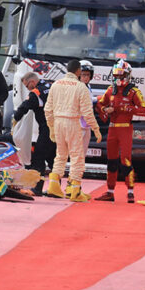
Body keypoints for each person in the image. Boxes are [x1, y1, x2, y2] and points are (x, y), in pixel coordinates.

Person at [44, 59, 102, 201]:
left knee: (60, 156)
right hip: (72, 122)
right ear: (78, 71)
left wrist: (51, 127)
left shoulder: (56, 85)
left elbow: (47, 109)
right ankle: (74, 190)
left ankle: (53, 186)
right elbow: (87, 112)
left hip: (58, 122)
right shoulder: (80, 87)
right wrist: (96, 128)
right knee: (77, 157)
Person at [94, 59, 145, 203]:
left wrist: (126, 108)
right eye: (116, 75)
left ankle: (130, 191)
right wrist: (105, 109)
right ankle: (110, 192)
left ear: (128, 75)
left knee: (125, 160)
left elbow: (144, 110)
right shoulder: (111, 89)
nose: (118, 78)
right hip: (112, 128)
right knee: (111, 161)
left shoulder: (133, 91)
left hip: (125, 128)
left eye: (121, 75)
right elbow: (99, 104)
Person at [13, 72, 53, 195]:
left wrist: (15, 118)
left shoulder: (36, 92)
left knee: (38, 158)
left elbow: (24, 107)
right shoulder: (50, 87)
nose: (27, 89)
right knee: (53, 159)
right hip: (58, 127)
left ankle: (38, 188)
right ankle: (55, 188)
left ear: (32, 82)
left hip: (46, 128)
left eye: (27, 86)